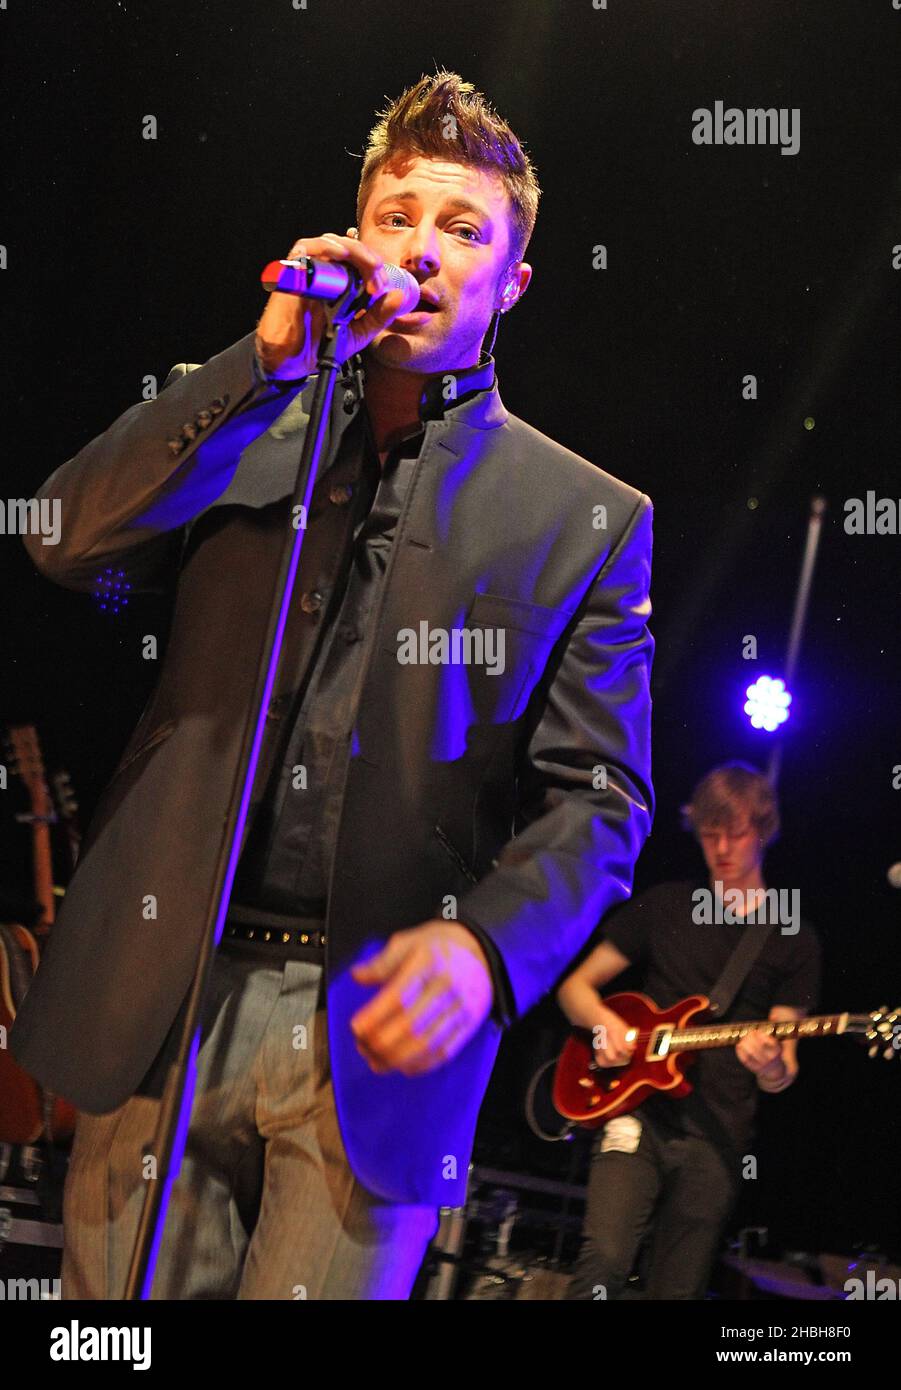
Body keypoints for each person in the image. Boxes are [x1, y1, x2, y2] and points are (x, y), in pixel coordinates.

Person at [12, 70, 654, 1300]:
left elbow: (601, 800)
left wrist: (487, 951)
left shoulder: (585, 516)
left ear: (510, 281)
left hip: (381, 1035)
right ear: (354, 239)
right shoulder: (250, 418)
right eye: (397, 215)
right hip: (167, 996)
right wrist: (259, 366)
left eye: (462, 228)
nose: (422, 249)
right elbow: (60, 533)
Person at [558, 763, 821, 1300]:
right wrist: (606, 1023)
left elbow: (783, 1066)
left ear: (765, 832)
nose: (721, 847)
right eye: (709, 833)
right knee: (602, 1263)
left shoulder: (792, 936)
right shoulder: (666, 906)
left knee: (677, 1290)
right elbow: (575, 989)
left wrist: (769, 1063)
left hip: (718, 1139)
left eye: (737, 833)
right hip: (637, 1113)